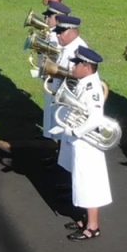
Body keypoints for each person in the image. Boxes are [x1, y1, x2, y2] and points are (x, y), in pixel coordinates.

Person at [60, 46, 112, 241]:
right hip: (80, 142)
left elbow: (96, 118)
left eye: (76, 64)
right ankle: (85, 218)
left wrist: (75, 130)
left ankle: (93, 226)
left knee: (89, 183)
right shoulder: (84, 82)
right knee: (81, 181)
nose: (73, 67)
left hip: (87, 143)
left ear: (87, 66)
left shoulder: (92, 88)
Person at [47, 15, 86, 170]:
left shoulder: (79, 51)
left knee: (71, 145)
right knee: (65, 142)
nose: (57, 35)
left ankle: (68, 181)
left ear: (72, 31)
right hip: (63, 99)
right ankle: (63, 173)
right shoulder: (68, 47)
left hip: (71, 103)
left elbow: (78, 79)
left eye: (61, 31)